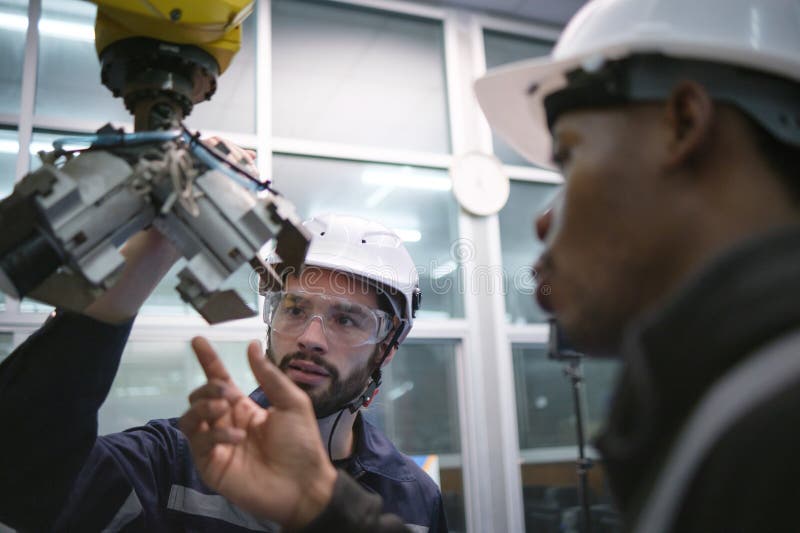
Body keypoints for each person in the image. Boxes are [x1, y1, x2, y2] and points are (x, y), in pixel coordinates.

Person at [174, 0, 800, 531]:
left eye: (569, 161)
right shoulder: (717, 412)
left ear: (683, 123)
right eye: (296, 308)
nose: (541, 222)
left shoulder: (766, 429)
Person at [0, 204, 446, 530]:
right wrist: (142, 263)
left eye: (346, 319)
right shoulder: (177, 460)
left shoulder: (414, 496)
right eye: (294, 309)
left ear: (388, 347)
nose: (310, 337)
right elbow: (22, 478)